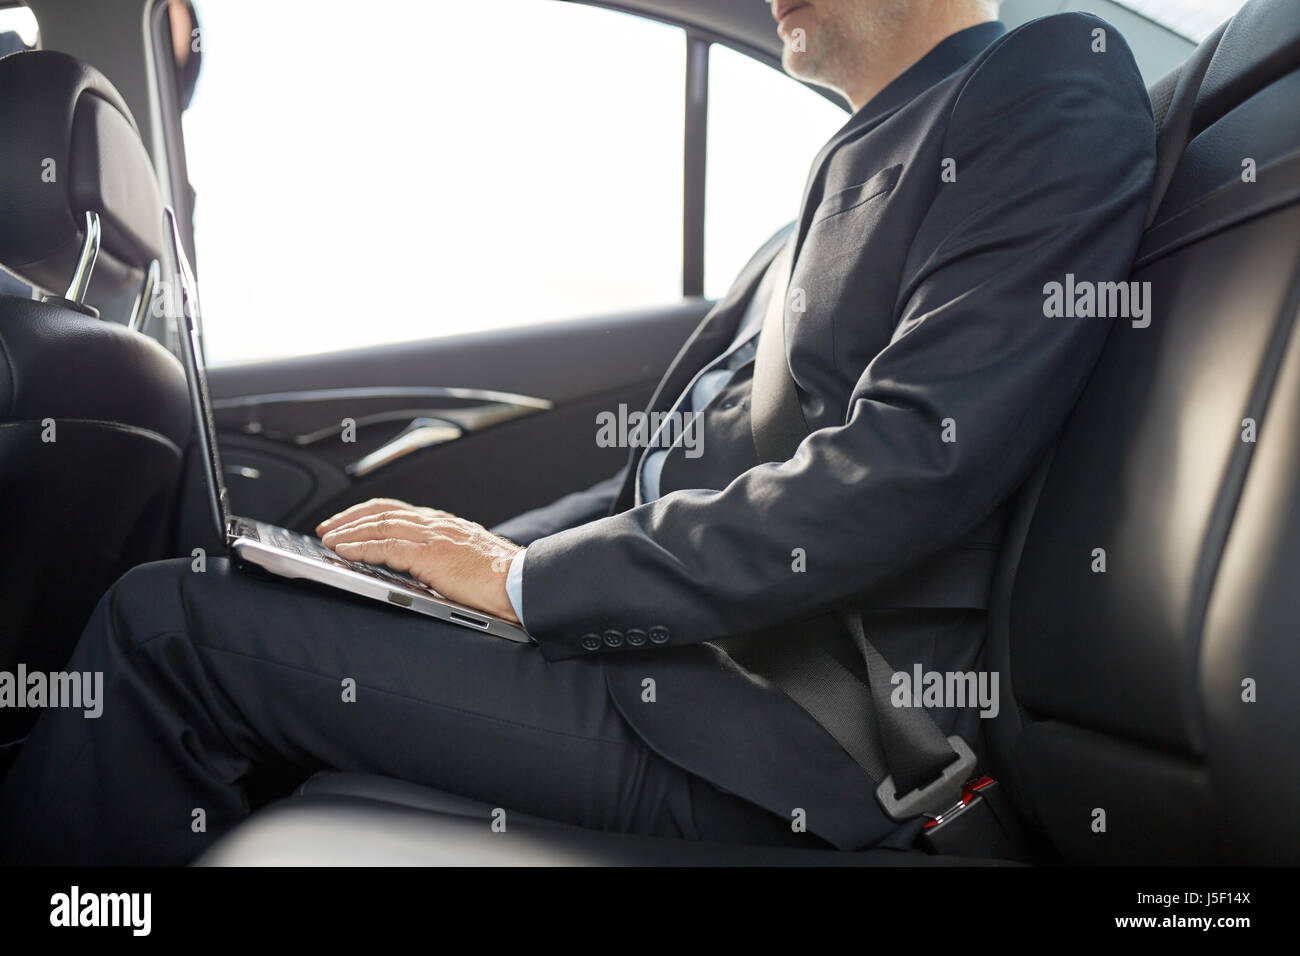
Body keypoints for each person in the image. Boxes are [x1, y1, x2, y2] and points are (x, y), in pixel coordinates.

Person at [0, 0, 1156, 864]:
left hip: (795, 732)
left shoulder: (1045, 83)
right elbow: (647, 481)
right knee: (231, 598)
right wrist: (454, 570)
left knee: (168, 626)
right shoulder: (817, 195)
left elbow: (907, 461)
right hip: (683, 667)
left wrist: (526, 581)